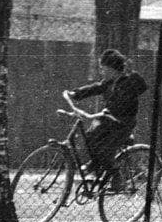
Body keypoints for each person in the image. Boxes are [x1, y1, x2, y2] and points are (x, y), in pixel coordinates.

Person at [63, 48, 148, 179]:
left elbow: (140, 87)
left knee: (105, 149)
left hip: (123, 123)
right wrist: (76, 93)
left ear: (112, 70)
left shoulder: (128, 82)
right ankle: (95, 163)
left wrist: (131, 72)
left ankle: (117, 177)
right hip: (108, 119)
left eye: (103, 69)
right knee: (90, 137)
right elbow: (95, 88)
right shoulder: (108, 82)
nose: (101, 71)